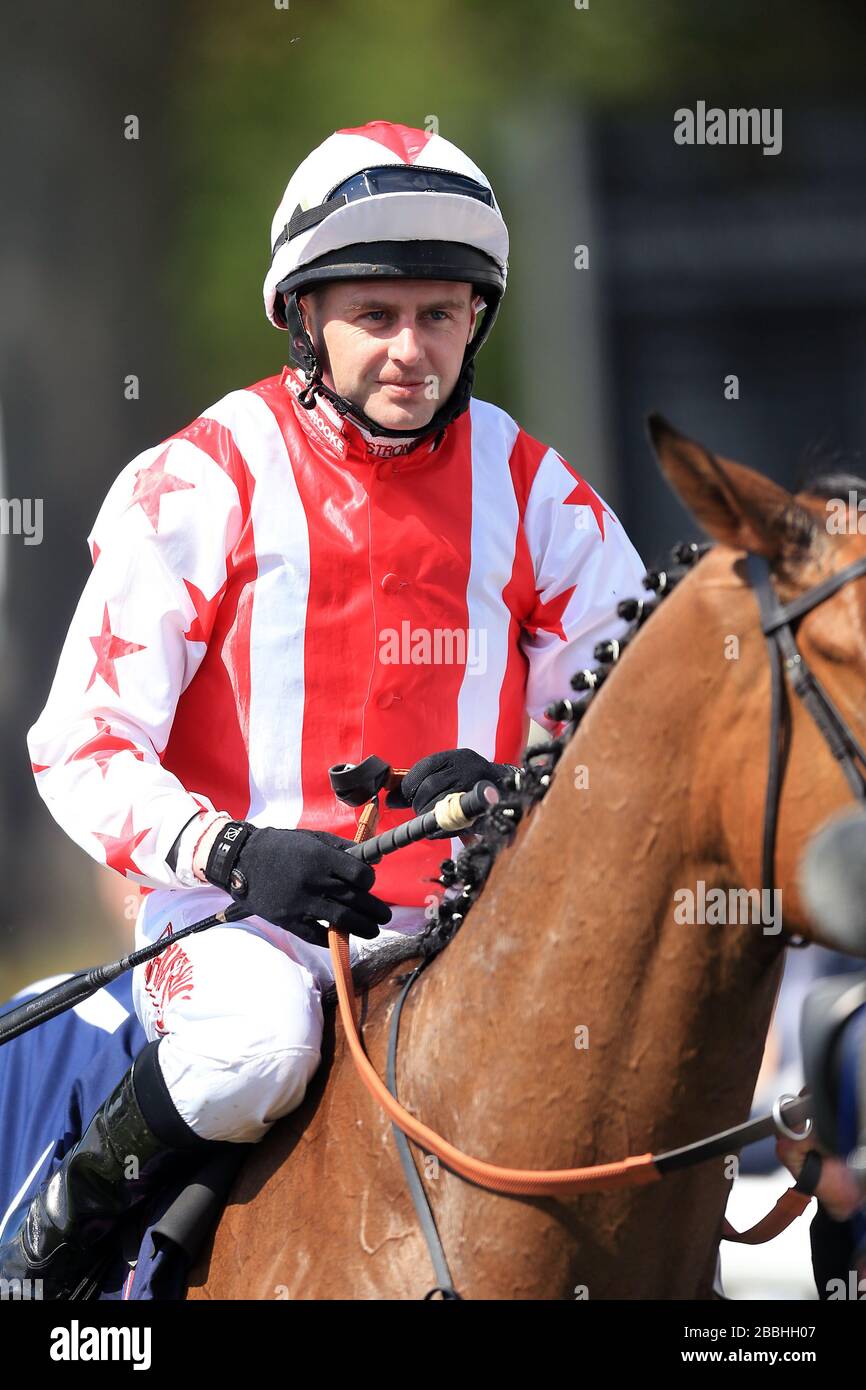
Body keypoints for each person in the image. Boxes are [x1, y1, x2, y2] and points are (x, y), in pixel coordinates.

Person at [1, 119, 646, 1296]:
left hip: (459, 927)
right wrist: (233, 850)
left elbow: (621, 726)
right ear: (305, 317)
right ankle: (48, 1246)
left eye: (441, 313)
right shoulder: (201, 478)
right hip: (235, 928)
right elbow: (80, 742)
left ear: (476, 320)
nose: (412, 349)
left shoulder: (535, 489)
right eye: (376, 315)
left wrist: (517, 788)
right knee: (258, 1047)